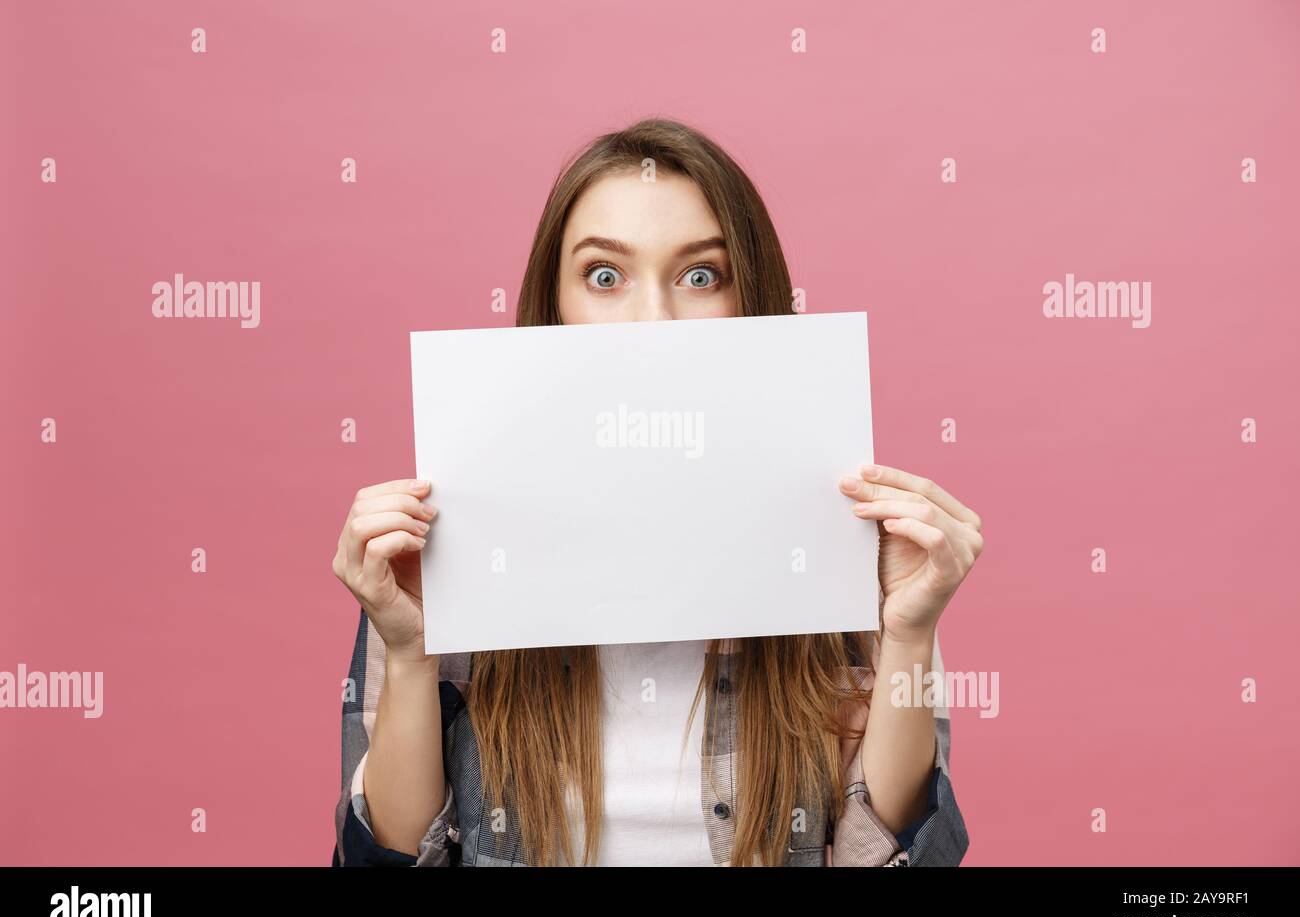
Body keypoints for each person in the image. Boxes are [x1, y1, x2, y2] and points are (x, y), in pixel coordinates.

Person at [331, 117, 983, 867]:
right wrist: (411, 651)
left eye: (700, 275)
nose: (653, 321)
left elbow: (899, 860)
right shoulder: (438, 556)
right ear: (554, 308)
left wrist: (907, 635)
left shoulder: (848, 551)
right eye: (604, 276)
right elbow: (387, 860)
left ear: (755, 304)